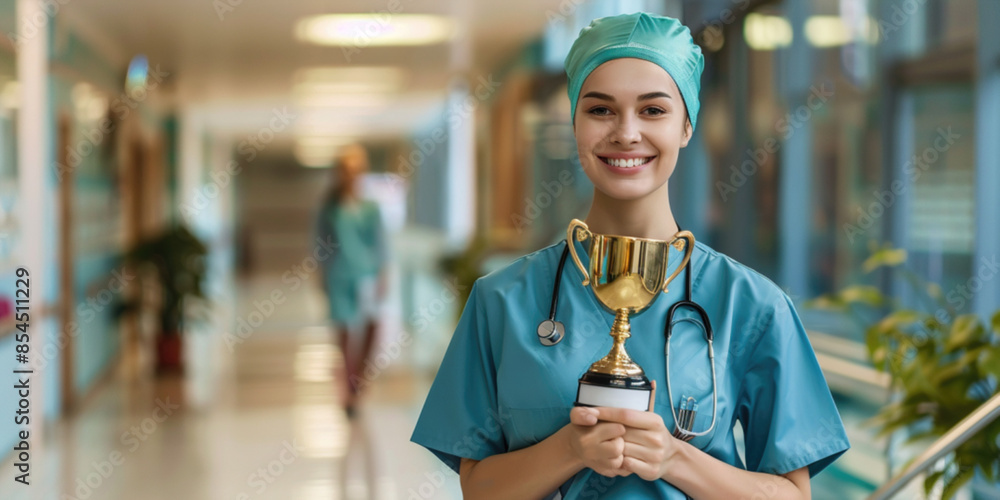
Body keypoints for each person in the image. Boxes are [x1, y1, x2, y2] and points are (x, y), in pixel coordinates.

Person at [410, 12, 850, 499]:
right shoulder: (503, 301)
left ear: (686, 126)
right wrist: (571, 450)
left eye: (653, 110)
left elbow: (793, 494)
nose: (626, 132)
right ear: (574, 121)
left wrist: (674, 457)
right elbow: (479, 489)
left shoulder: (751, 305)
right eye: (600, 110)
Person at [315, 144, 388, 417]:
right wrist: (320, 276)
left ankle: (359, 379)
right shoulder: (329, 208)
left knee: (372, 327)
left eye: (356, 169)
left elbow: (380, 244)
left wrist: (384, 273)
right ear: (339, 172)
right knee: (344, 335)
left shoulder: (370, 208)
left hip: (366, 275)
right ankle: (348, 390)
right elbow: (319, 244)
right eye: (346, 169)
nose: (351, 175)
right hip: (338, 276)